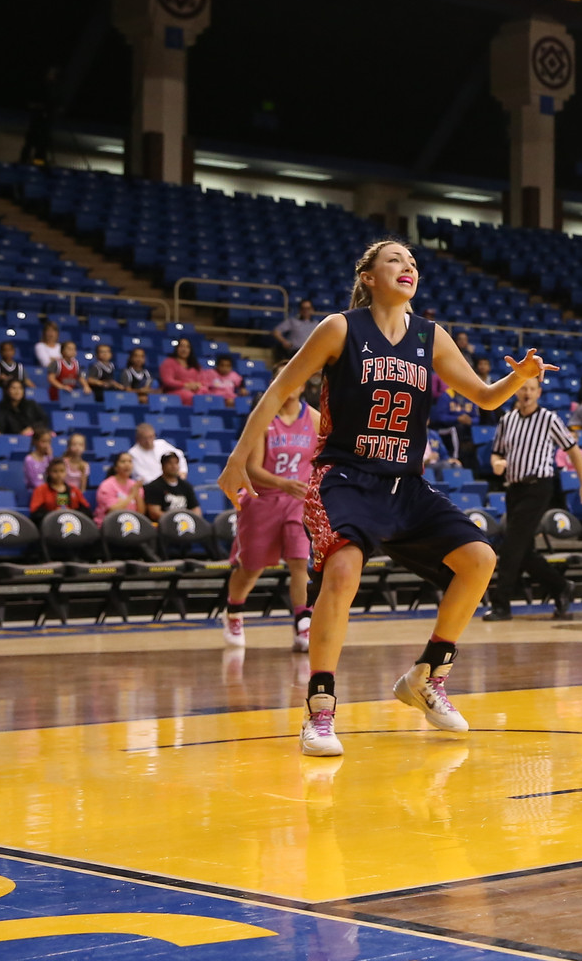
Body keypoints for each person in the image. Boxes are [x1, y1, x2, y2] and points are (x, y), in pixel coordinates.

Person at [216, 239, 542, 758]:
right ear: (368, 277)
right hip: (345, 477)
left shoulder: (430, 336)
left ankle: (427, 676)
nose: (408, 266)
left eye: (412, 262)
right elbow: (280, 389)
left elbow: (483, 397)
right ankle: (319, 710)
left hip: (404, 483)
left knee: (480, 559)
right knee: (343, 571)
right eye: (395, 260)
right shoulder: (340, 328)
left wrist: (516, 378)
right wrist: (238, 457)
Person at [222, 383, 322, 652]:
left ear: (302, 386)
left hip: (297, 501)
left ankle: (303, 623)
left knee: (300, 561)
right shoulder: (263, 417)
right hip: (262, 499)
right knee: (251, 567)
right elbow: (252, 469)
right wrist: (282, 483)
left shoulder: (314, 418)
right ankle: (233, 611)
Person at [485, 378, 582, 620]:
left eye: (532, 389)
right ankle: (561, 586)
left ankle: (501, 605)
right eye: (523, 388)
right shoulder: (507, 420)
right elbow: (496, 453)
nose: (527, 393)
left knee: (511, 546)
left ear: (539, 393)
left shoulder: (549, 419)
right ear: (516, 392)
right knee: (523, 551)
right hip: (514, 488)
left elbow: (573, 450)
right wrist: (497, 463)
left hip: (538, 487)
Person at [143, 451, 200, 522]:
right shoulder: (153, 486)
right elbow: (154, 513)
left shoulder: (186, 486)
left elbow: (196, 509)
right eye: (169, 463)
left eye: (176, 463)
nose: (173, 466)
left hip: (185, 524)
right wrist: (175, 521)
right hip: (163, 525)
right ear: (162, 466)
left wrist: (190, 520)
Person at [95, 453, 143, 522]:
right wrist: (132, 495)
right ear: (116, 467)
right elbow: (113, 511)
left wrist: (137, 494)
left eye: (130, 461)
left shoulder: (135, 485)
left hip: (131, 524)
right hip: (110, 524)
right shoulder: (107, 485)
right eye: (123, 461)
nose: (127, 464)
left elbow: (141, 513)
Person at [160, 338, 207, 407]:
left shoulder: (195, 365)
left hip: (195, 390)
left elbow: (203, 381)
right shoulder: (168, 362)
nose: (184, 349)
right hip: (175, 391)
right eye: (181, 346)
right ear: (177, 348)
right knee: (190, 396)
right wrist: (185, 385)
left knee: (208, 395)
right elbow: (168, 381)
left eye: (187, 347)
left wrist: (197, 385)